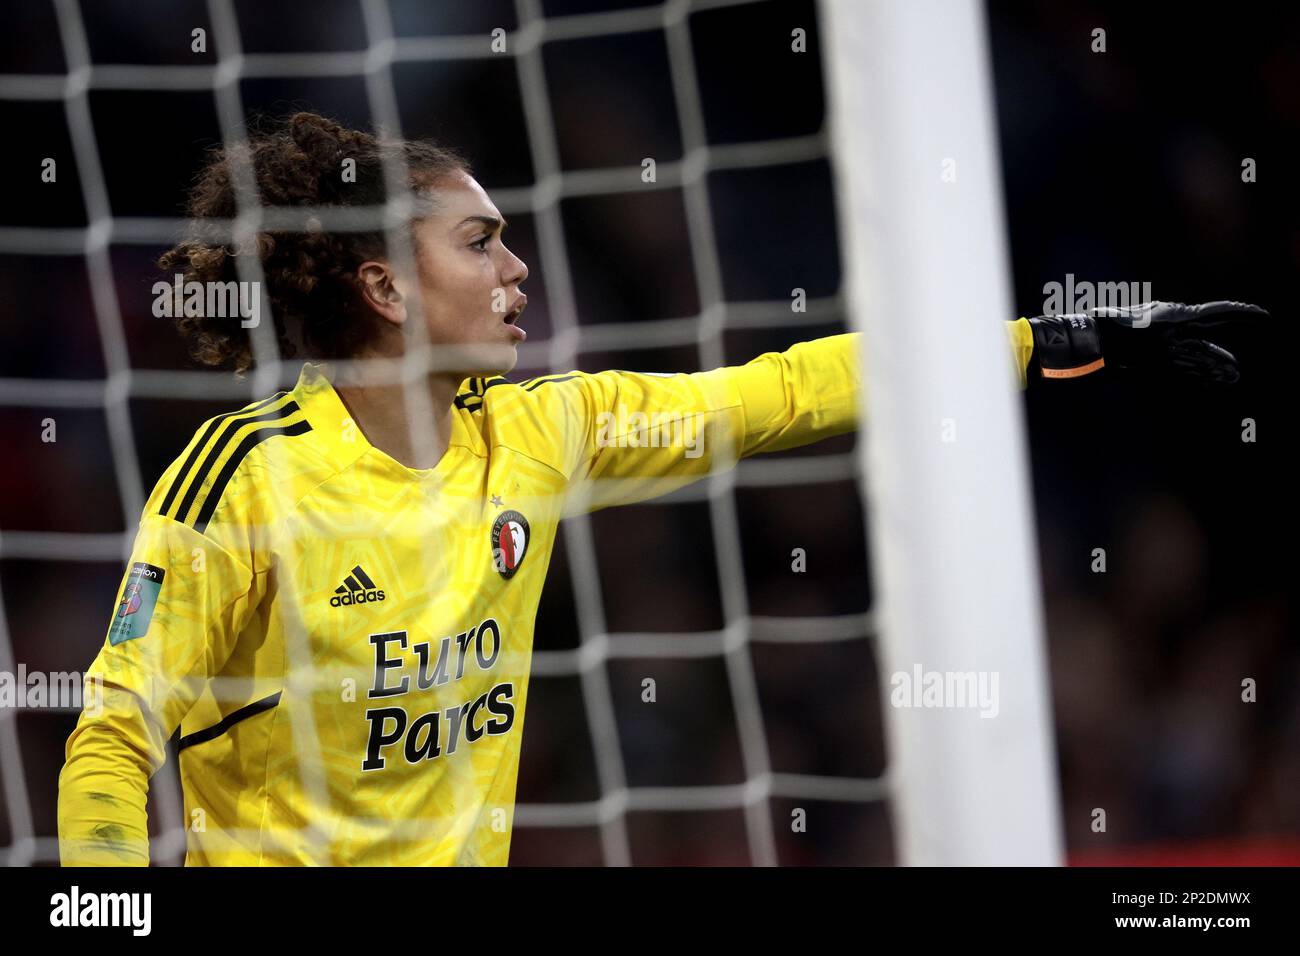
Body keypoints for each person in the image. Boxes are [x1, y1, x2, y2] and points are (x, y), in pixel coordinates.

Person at [57, 112, 1265, 866]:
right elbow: (111, 739)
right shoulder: (243, 483)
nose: (517, 265)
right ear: (382, 287)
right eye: (479, 242)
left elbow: (772, 392)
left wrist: (1039, 341)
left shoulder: (541, 431)